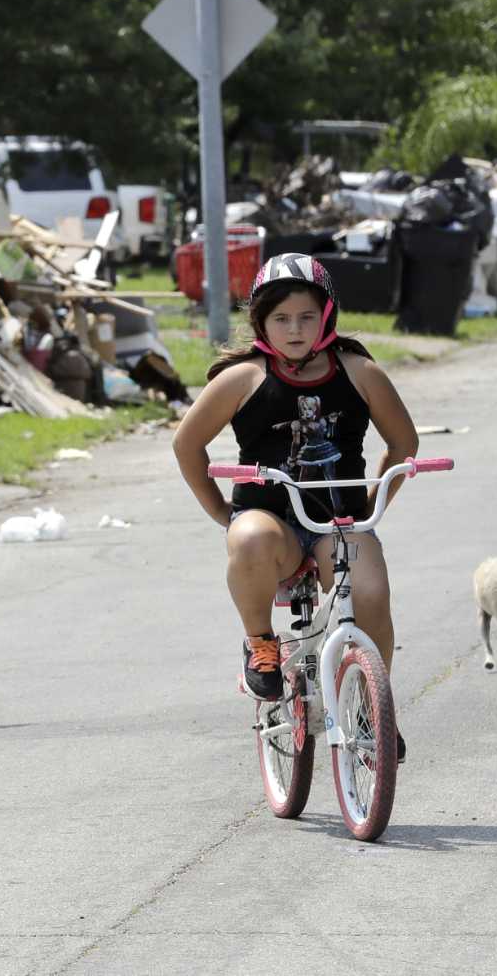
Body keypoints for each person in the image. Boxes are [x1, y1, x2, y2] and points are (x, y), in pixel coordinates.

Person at [172, 254, 421, 754]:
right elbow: (187, 444)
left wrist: (372, 507)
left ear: (327, 316)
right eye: (280, 319)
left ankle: (374, 707)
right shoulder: (242, 378)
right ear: (260, 321)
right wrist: (222, 512)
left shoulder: (360, 372)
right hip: (271, 524)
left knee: (370, 592)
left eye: (307, 317)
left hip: (339, 523)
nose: (294, 330)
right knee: (252, 536)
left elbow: (403, 446)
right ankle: (261, 642)